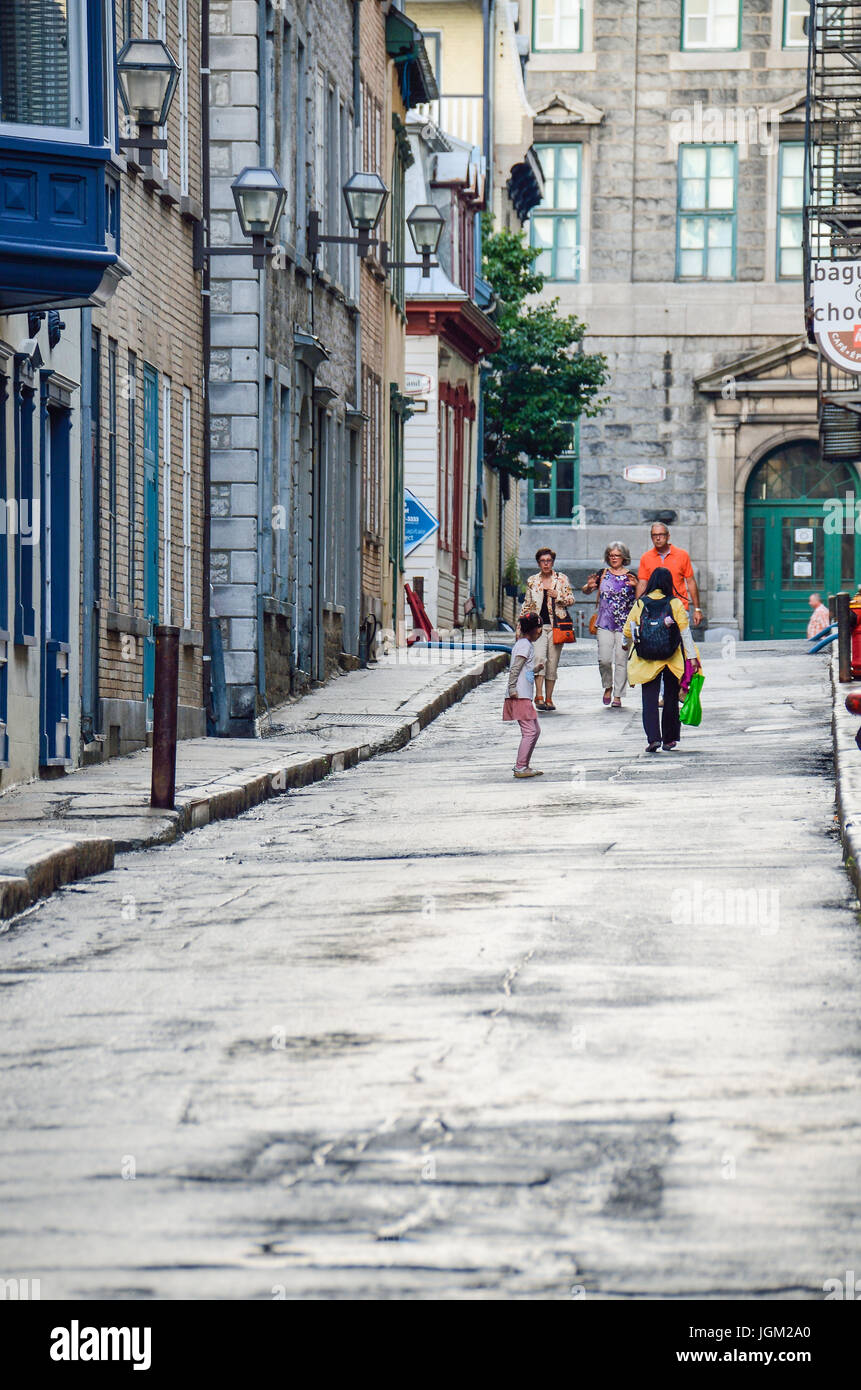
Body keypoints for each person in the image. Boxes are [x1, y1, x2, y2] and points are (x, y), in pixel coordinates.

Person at [623, 566, 701, 753]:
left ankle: (653, 739)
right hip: (671, 658)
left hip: (646, 658)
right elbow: (685, 632)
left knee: (649, 700)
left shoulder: (641, 604)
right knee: (670, 698)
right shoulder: (674, 603)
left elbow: (628, 629)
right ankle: (669, 739)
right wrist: (691, 658)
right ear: (668, 583)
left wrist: (626, 644)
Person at [582, 542, 638, 707]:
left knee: (621, 660)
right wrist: (588, 586)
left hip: (625, 624)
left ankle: (618, 696)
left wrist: (636, 587)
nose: (614, 558)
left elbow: (641, 598)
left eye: (617, 555)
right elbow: (587, 590)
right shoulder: (603, 574)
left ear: (624, 557)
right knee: (604, 659)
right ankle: (607, 686)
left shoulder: (631, 576)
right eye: (611, 555)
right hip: (605, 623)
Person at [520, 547, 575, 711]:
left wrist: (557, 596)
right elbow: (527, 604)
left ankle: (549, 698)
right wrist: (521, 625)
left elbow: (571, 599)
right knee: (539, 658)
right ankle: (539, 695)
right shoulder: (532, 581)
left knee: (552, 663)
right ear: (538, 563)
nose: (546, 564)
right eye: (543, 561)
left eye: (549, 561)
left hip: (556, 626)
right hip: (537, 627)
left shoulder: (561, 579)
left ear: (553, 562)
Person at [636, 522, 703, 629]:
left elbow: (690, 582)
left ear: (668, 536)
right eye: (654, 535)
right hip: (654, 608)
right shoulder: (646, 557)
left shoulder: (682, 555)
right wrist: (638, 608)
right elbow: (642, 583)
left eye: (661, 535)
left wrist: (697, 609)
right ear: (651, 537)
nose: (658, 538)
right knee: (657, 642)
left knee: (682, 642)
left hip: (679, 607)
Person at [503, 612, 543, 778]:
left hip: (523, 694)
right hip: (519, 695)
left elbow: (524, 670)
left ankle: (524, 765)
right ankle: (520, 767)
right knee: (530, 732)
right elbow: (515, 668)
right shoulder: (524, 645)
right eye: (539, 629)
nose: (540, 632)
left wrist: (535, 669)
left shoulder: (525, 645)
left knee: (535, 730)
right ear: (533, 630)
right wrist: (512, 688)